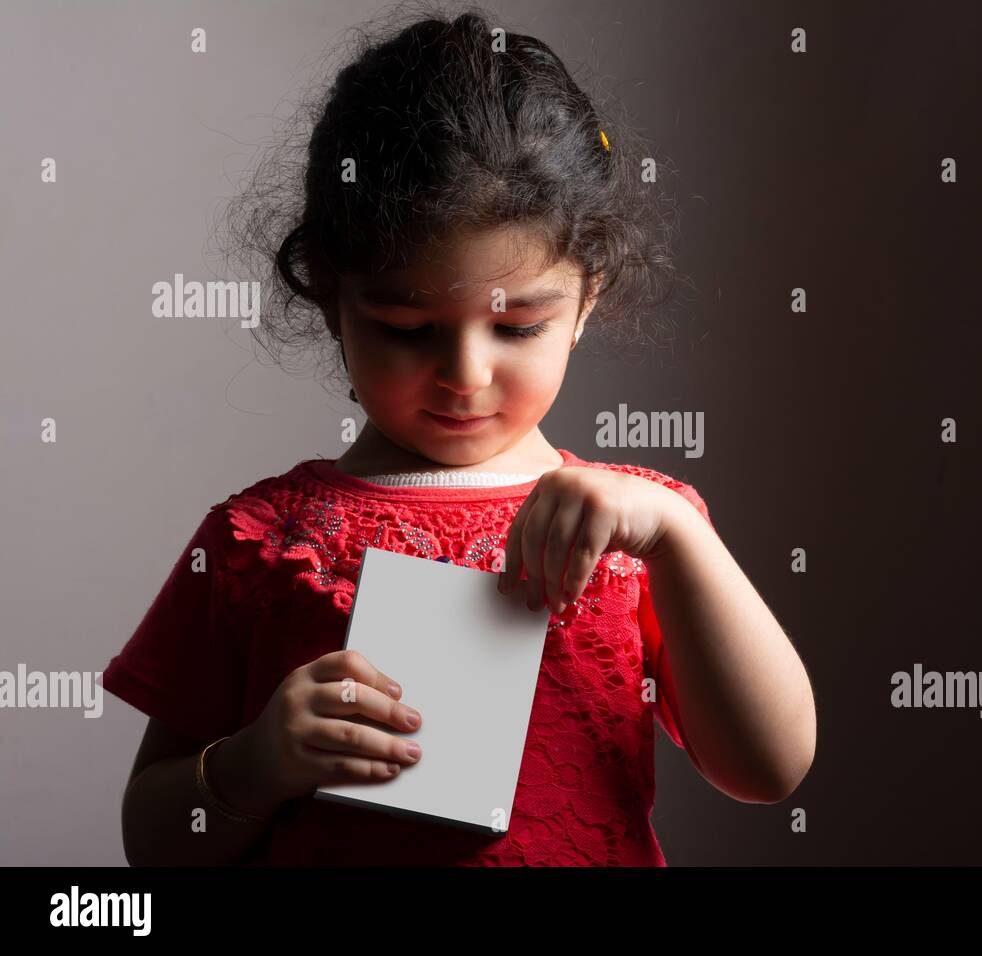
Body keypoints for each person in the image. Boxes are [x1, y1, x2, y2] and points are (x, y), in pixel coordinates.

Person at [103, 6, 815, 866]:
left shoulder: (640, 530)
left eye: (516, 329)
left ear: (584, 302)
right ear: (330, 296)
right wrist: (255, 764)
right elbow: (153, 843)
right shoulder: (258, 543)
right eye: (408, 326)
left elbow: (770, 768)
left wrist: (677, 536)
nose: (465, 374)